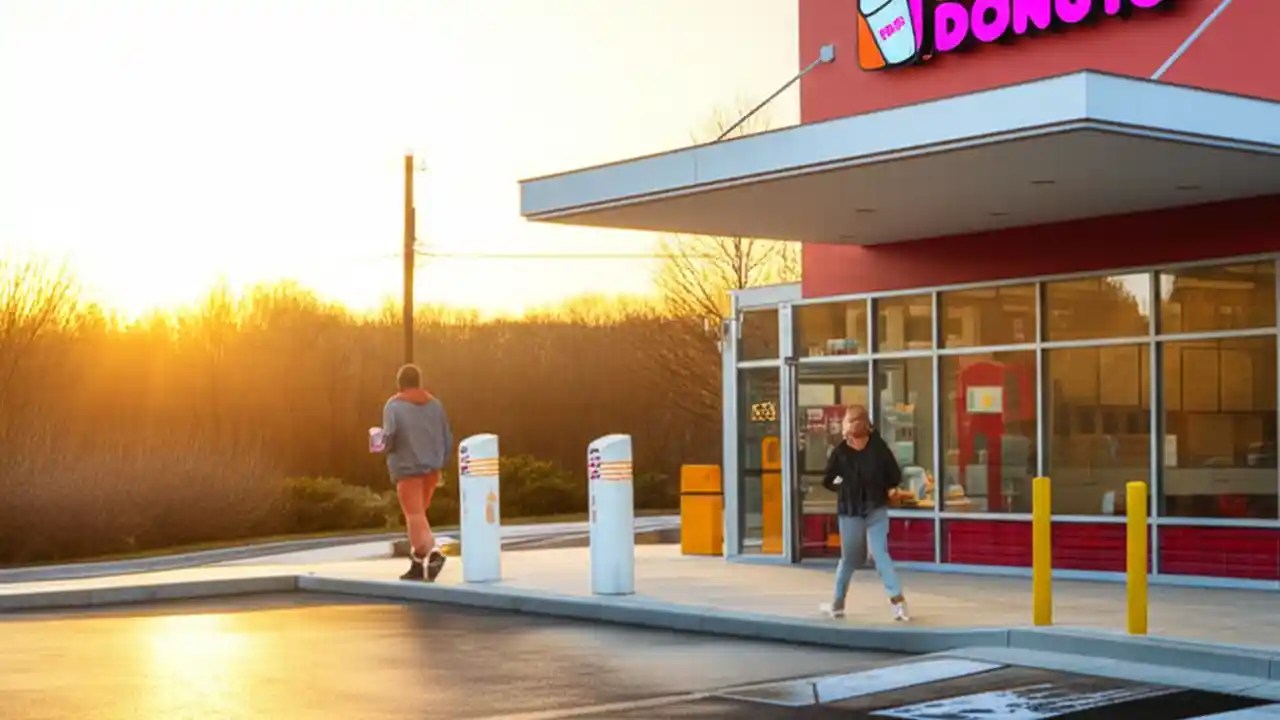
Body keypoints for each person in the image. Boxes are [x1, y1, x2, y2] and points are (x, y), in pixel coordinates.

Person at [820, 404, 909, 621]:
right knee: (851, 558)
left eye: (854, 422)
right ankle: (838, 603)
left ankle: (898, 601)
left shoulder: (878, 449)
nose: (852, 428)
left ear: (864, 424)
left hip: (875, 509)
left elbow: (894, 476)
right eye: (850, 423)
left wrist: (881, 485)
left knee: (880, 555)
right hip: (850, 511)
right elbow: (830, 480)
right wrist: (844, 483)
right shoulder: (841, 452)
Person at [381, 363, 453, 582]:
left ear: (400, 384)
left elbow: (389, 438)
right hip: (432, 469)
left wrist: (379, 443)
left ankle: (434, 553)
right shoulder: (436, 405)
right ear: (419, 382)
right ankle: (418, 563)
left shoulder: (393, 406)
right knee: (419, 516)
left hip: (407, 468)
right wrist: (441, 461)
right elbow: (447, 437)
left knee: (414, 515)